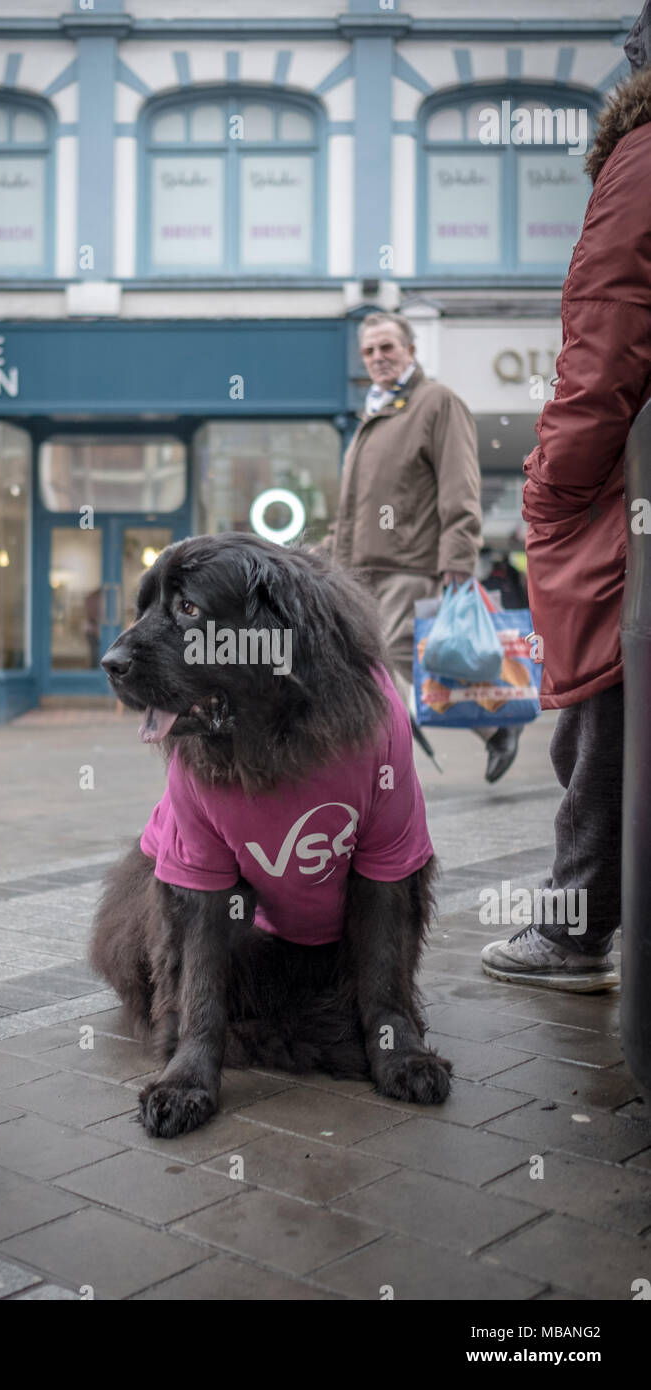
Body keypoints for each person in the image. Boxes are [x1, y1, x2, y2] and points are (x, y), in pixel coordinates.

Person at [481, 22, 651, 991]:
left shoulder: (638, 157)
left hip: (628, 502)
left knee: (600, 698)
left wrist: (548, 492)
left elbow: (605, 341)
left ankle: (575, 925)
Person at [324, 311, 521, 782]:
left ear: (411, 350)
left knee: (389, 658)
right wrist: (324, 557)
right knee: (390, 662)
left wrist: (458, 556)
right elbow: (355, 508)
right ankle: (486, 731)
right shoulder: (374, 413)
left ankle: (387, 759)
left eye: (388, 347)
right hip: (360, 570)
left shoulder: (436, 403)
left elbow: (460, 485)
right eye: (369, 351)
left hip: (409, 563)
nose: (378, 357)